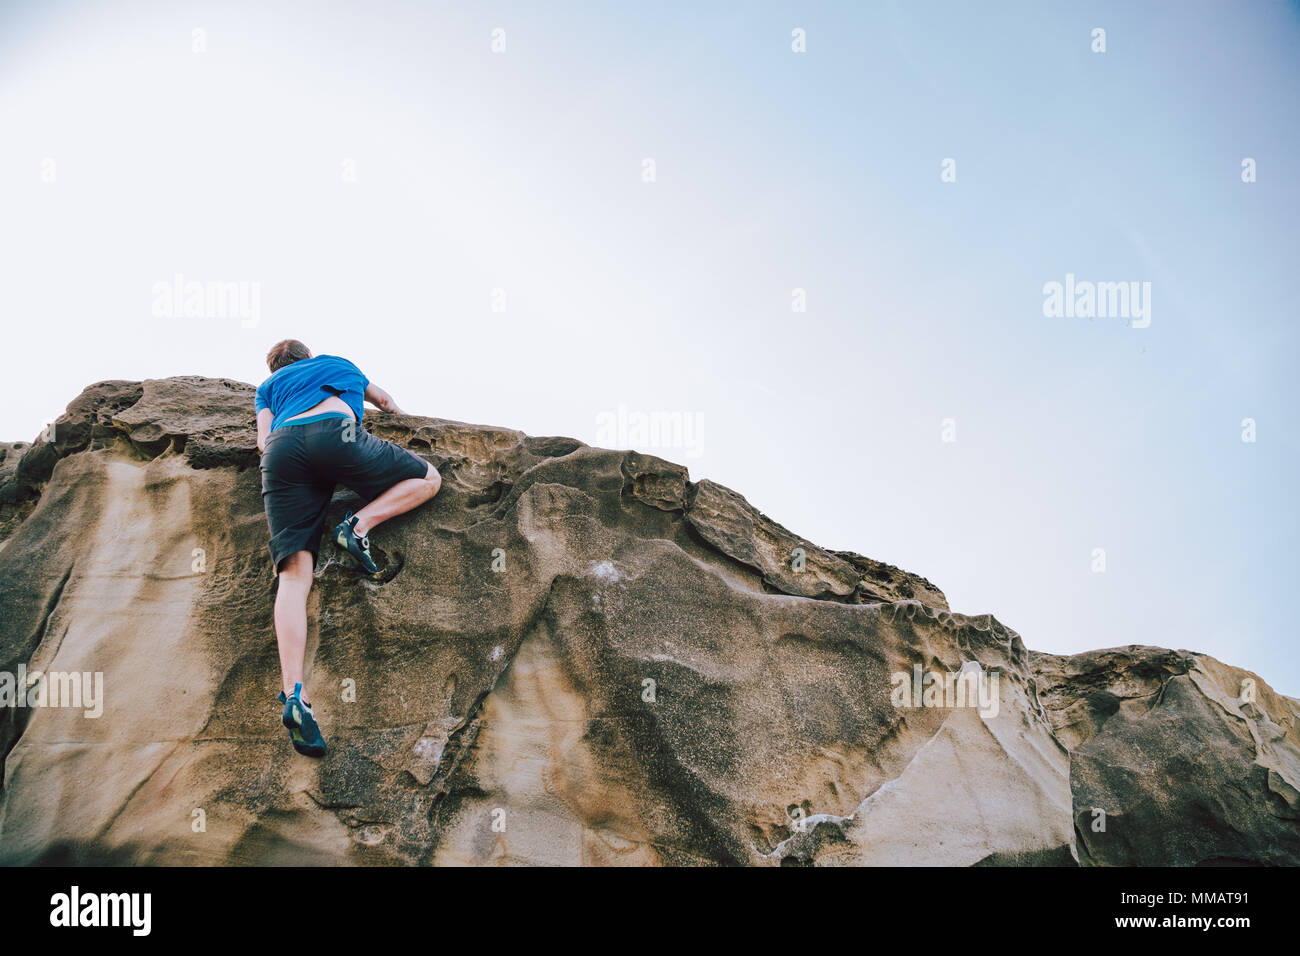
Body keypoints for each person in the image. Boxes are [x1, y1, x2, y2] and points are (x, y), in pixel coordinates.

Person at [255, 339, 441, 757]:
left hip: (283, 450)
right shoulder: (340, 363)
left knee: (293, 576)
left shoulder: (268, 389)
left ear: (275, 369)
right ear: (307, 356)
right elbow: (386, 402)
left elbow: (262, 442)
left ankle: (294, 696)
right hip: (336, 434)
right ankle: (358, 525)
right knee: (429, 478)